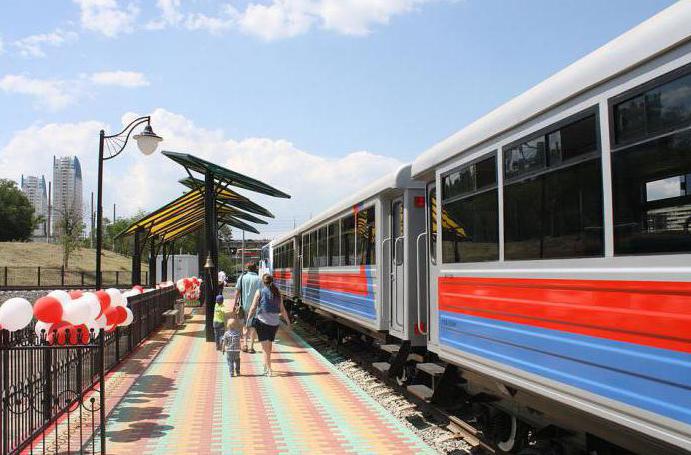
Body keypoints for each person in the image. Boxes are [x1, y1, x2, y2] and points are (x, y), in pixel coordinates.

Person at [246, 273, 291, 377]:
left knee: (265, 348)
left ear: (263, 282)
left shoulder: (260, 292)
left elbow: (253, 308)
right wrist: (288, 322)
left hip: (262, 322)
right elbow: (282, 310)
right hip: (274, 323)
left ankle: (269, 369)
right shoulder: (277, 292)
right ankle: (266, 365)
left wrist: (248, 319)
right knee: (268, 346)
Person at [235, 263, 261, 353]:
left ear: (247, 268)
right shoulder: (259, 279)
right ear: (255, 269)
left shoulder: (242, 278)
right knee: (253, 327)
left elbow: (237, 292)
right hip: (256, 307)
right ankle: (251, 347)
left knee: (245, 325)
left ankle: (245, 344)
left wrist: (235, 304)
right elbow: (261, 293)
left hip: (243, 306)